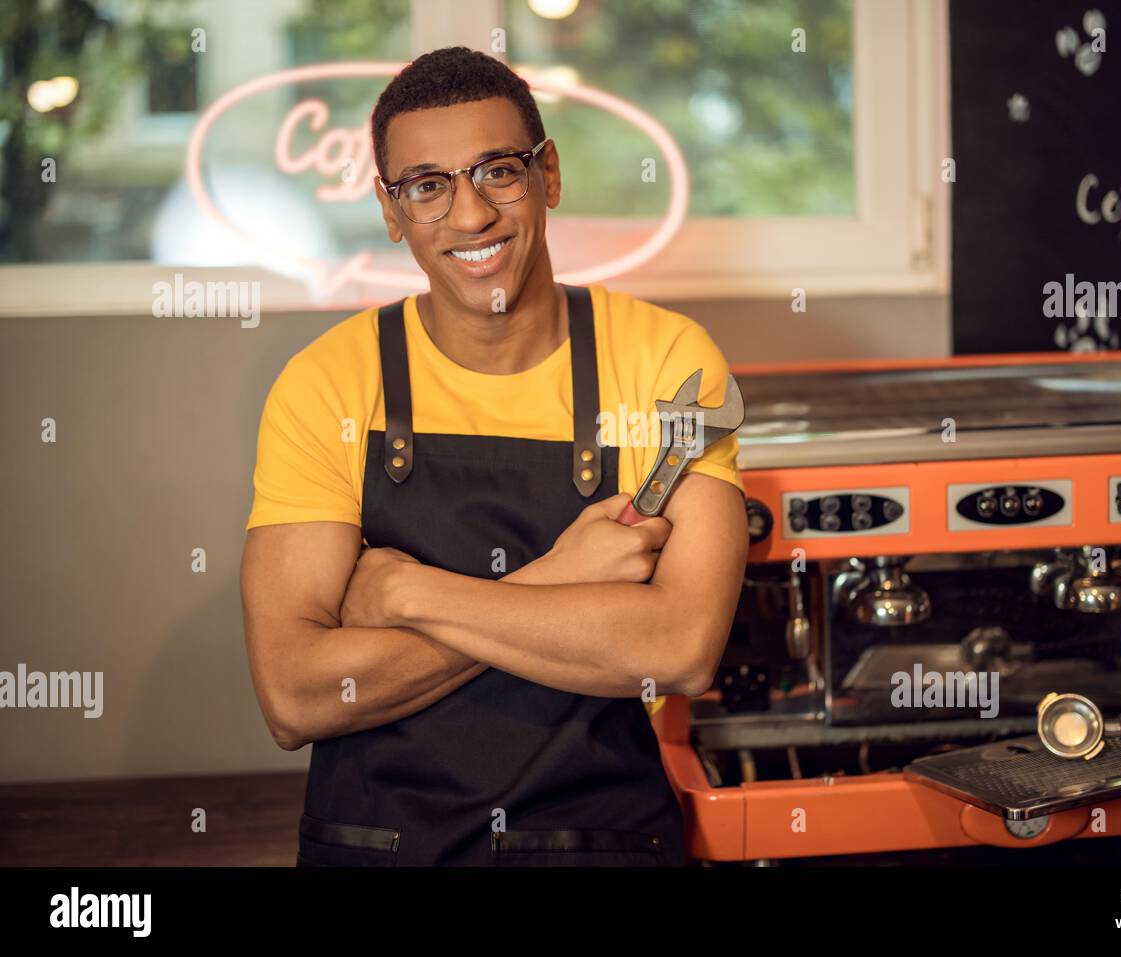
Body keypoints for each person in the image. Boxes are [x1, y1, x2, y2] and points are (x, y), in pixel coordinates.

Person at [239, 46, 749, 866]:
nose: (470, 216)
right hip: (376, 843)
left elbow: (681, 646)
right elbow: (296, 695)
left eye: (498, 172)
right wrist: (556, 580)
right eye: (428, 185)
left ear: (548, 175)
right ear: (389, 208)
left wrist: (403, 591)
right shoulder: (327, 383)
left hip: (601, 838)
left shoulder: (670, 361)